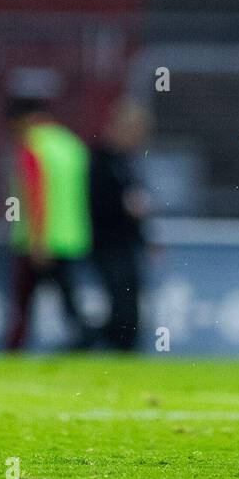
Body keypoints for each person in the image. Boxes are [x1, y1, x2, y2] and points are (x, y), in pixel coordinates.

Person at [4, 97, 94, 350]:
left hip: (38, 240)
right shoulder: (71, 145)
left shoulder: (34, 147)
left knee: (23, 301)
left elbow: (36, 196)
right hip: (72, 236)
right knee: (68, 298)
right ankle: (84, 338)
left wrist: (37, 239)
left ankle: (14, 346)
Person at [89, 98, 153, 351]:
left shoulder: (126, 162)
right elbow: (97, 204)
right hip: (106, 243)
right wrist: (125, 205)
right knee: (122, 305)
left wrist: (144, 240)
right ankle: (97, 345)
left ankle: (118, 350)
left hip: (124, 245)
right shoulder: (101, 160)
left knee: (127, 302)